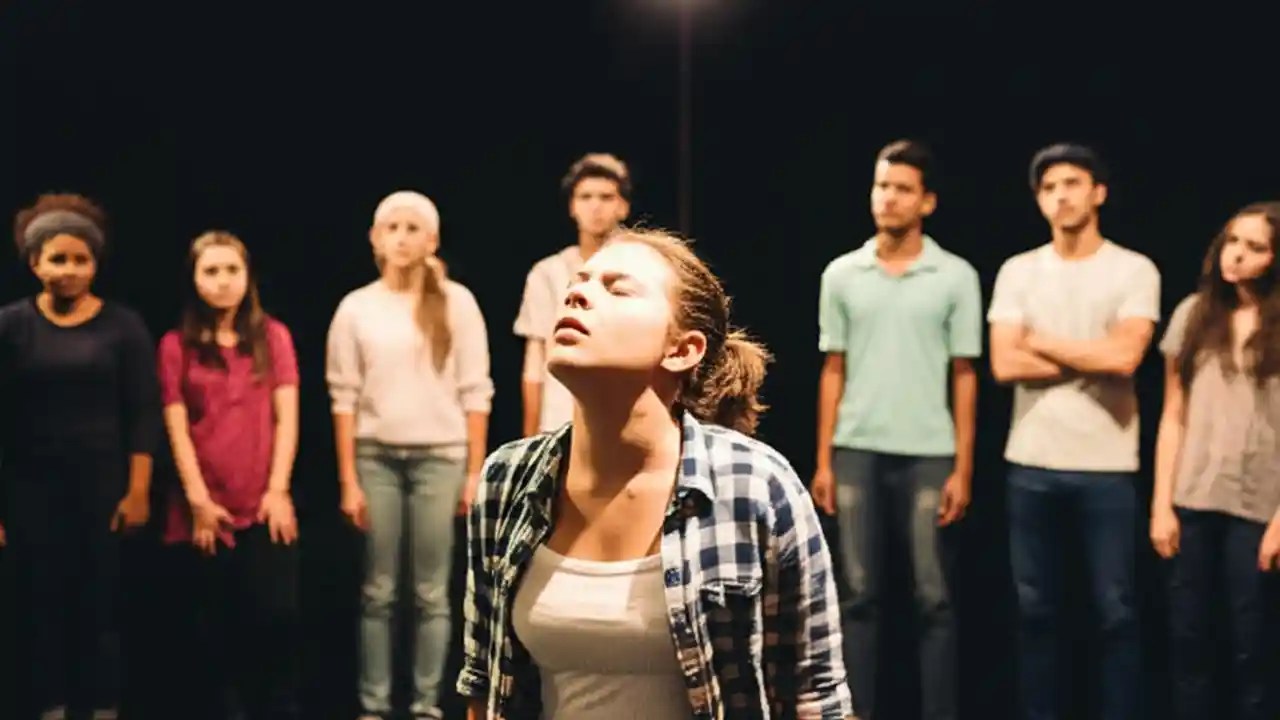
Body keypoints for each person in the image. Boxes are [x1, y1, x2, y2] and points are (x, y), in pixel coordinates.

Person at [458, 228, 855, 720]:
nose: (577, 292)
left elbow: (815, 696)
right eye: (580, 281)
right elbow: (483, 684)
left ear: (682, 349)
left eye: (617, 288)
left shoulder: (755, 486)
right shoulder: (507, 481)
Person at [987, 143, 1160, 720]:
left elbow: (1128, 358)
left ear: (1098, 192)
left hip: (1108, 465)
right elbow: (1004, 366)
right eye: (1049, 186)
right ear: (1040, 200)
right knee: (1037, 613)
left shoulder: (1133, 269)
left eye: (1072, 182)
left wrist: (1039, 340)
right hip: (1032, 461)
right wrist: (1094, 353)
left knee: (1116, 612)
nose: (1061, 194)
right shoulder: (1019, 270)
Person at [812, 139, 980, 720]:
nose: (888, 197)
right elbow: (832, 368)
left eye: (902, 188)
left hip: (930, 451)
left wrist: (963, 465)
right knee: (857, 595)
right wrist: (825, 460)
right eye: (882, 185)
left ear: (927, 201)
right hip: (856, 447)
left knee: (934, 598)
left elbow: (964, 374)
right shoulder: (842, 273)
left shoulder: (955, 275)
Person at [326, 191, 494, 720]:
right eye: (392, 227)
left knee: (430, 592)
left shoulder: (457, 302)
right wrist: (348, 478)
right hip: (377, 456)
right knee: (378, 590)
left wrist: (474, 471)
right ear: (376, 238)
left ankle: (425, 705)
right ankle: (374, 705)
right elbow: (343, 396)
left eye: (413, 227)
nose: (402, 236)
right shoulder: (357, 306)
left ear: (433, 239)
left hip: (440, 458)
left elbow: (476, 389)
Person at [0, 193, 162, 720]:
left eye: (80, 259)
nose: (69, 270)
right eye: (57, 259)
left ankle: (103, 709)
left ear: (95, 263)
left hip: (102, 490)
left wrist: (138, 491)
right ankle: (50, 707)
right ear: (34, 263)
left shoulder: (123, 327)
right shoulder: (11, 326)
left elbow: (142, 412)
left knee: (99, 608)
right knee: (41, 606)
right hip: (30, 491)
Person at [157, 231, 301, 719]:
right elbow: (175, 424)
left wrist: (279, 489)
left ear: (248, 276)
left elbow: (287, 416)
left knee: (272, 619)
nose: (222, 282)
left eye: (231, 271)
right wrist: (197, 500)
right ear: (194, 280)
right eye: (211, 272)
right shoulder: (176, 345)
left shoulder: (273, 337)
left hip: (261, 502)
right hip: (203, 507)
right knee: (211, 629)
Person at [1150, 201, 1280, 720]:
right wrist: (1162, 504)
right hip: (1194, 499)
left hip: (1258, 506)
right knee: (1189, 641)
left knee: (1251, 646)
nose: (1238, 256)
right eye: (1232, 242)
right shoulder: (1193, 314)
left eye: (1255, 247)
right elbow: (1173, 415)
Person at [514, 153, 632, 436]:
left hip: (622, 418)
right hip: (558, 421)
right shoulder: (548, 273)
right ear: (572, 206)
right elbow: (535, 361)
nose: (596, 207)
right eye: (586, 197)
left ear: (623, 207)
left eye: (606, 197)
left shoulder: (637, 269)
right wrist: (530, 437)